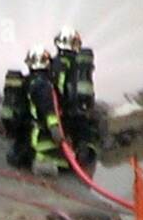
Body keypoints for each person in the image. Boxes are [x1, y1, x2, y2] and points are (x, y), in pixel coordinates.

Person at [51, 26, 98, 166]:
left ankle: (67, 156)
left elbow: (56, 87)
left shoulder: (58, 62)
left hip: (63, 109)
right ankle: (84, 152)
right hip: (79, 109)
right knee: (83, 131)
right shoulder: (79, 63)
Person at [23, 44, 67, 173]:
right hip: (42, 137)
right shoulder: (43, 85)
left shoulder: (30, 81)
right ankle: (41, 161)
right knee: (67, 165)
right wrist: (54, 127)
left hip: (29, 134)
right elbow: (48, 108)